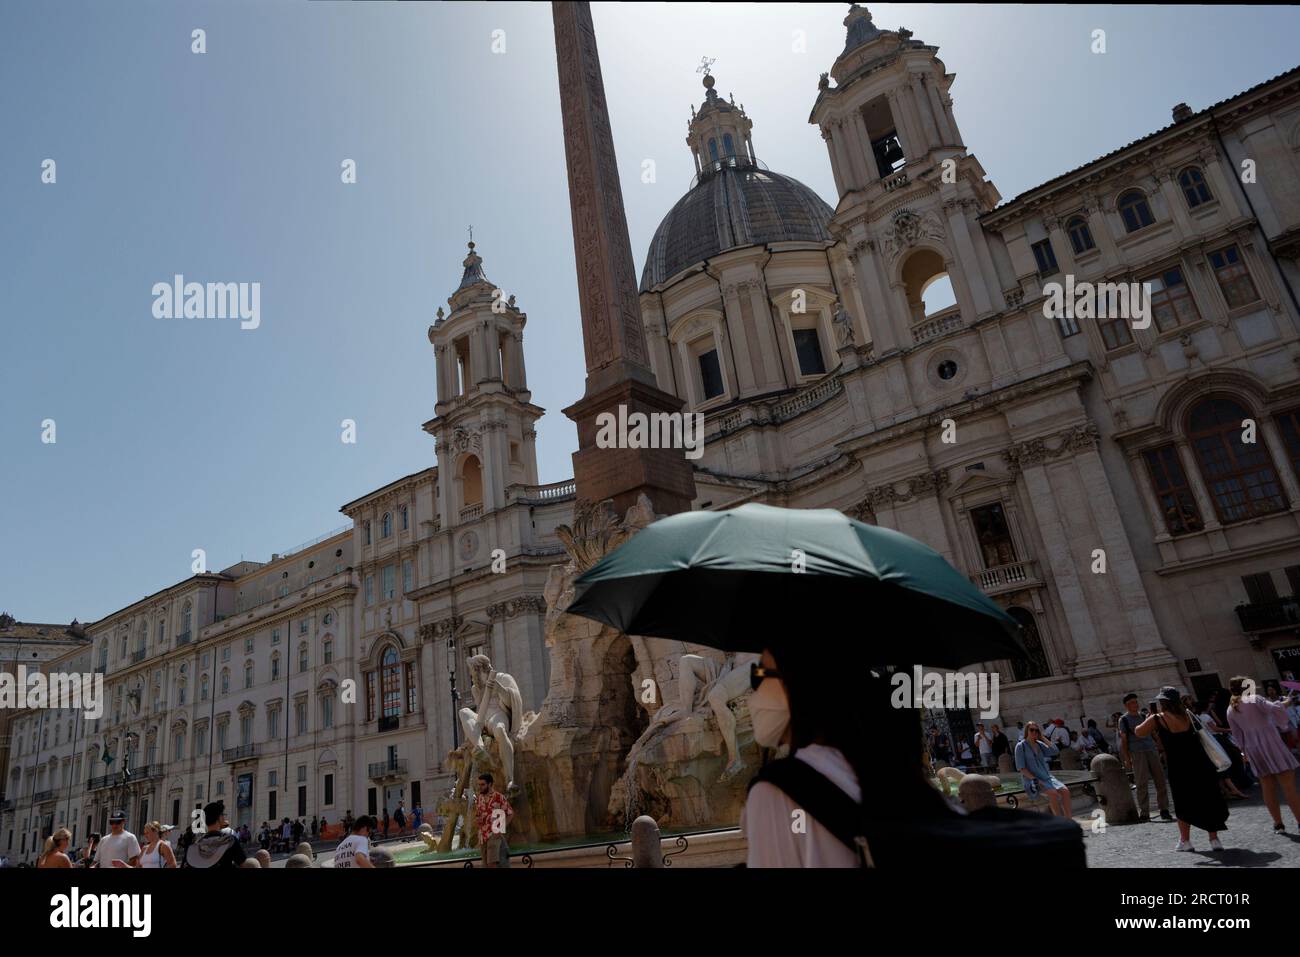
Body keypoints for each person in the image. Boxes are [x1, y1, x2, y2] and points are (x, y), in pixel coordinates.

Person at [743, 648, 967, 867]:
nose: (753, 690)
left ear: (796, 683)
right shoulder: (896, 771)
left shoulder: (776, 791)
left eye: (759, 674)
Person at [1134, 686, 1228, 851]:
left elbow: (1138, 732)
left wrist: (1148, 718)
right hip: (1200, 763)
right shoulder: (1188, 715)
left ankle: (1185, 841)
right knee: (1208, 798)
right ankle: (1214, 840)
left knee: (1183, 802)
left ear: (1163, 702)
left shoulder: (1158, 718)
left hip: (1179, 766)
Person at [1226, 676, 1300, 832]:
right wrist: (1287, 702)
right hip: (1271, 743)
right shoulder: (1254, 699)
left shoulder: (1231, 709)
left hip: (1253, 748)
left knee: (1267, 787)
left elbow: (1238, 736)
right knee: (1288, 786)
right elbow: (1275, 709)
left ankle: (1278, 824)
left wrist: (1244, 752)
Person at [1118, 692, 1172, 822]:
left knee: (1160, 780)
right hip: (1137, 752)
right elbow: (1124, 740)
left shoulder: (1143, 716)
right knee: (1141, 783)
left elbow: (1153, 734)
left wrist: (1161, 749)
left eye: (1136, 702)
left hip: (1151, 749)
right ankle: (1144, 812)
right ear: (1126, 705)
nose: (1135, 705)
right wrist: (1126, 758)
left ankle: (1164, 809)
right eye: (1132, 703)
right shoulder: (1123, 720)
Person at [1014, 722, 1071, 817]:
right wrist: (1035, 779)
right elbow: (1021, 768)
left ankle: (1069, 820)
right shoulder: (1020, 746)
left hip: (1047, 777)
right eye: (1031, 730)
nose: (1034, 732)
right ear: (1026, 731)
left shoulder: (1039, 744)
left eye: (1036, 730)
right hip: (1032, 779)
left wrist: (1042, 737)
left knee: (1065, 791)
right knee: (1053, 794)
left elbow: (1055, 751)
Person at [185, 801, 248, 868]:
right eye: (223, 814)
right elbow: (244, 865)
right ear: (220, 818)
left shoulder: (194, 846)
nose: (224, 817)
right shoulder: (230, 841)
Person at [474, 773, 513, 867]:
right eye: (479, 785)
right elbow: (477, 816)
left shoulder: (498, 797)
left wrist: (500, 829)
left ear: (490, 784)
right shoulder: (479, 798)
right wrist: (477, 820)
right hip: (482, 837)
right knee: (486, 865)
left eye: (483, 784)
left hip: (494, 834)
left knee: (492, 863)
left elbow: (510, 814)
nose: (480, 787)